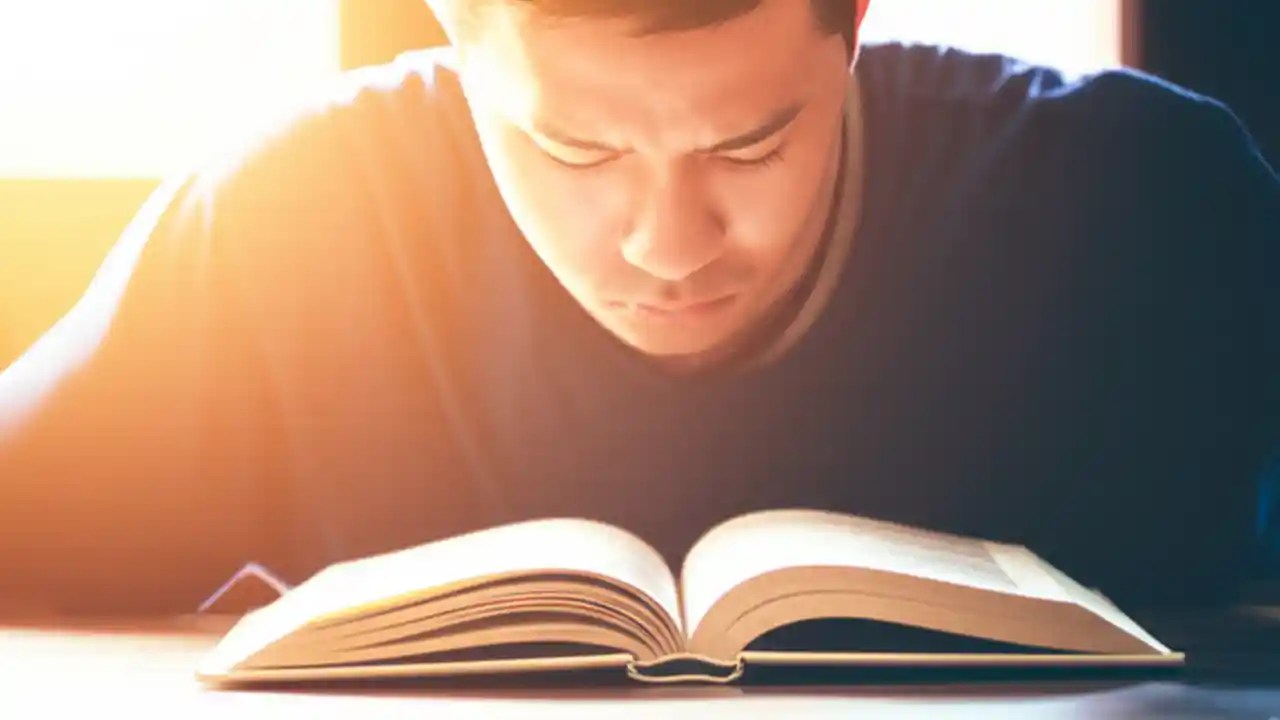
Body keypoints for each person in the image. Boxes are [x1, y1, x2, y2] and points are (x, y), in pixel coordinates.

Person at [1, 0, 1276, 618]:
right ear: (454, 38)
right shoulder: (292, 216)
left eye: (754, 142)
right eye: (571, 153)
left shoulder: (1146, 203)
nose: (668, 249)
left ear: (856, 27)